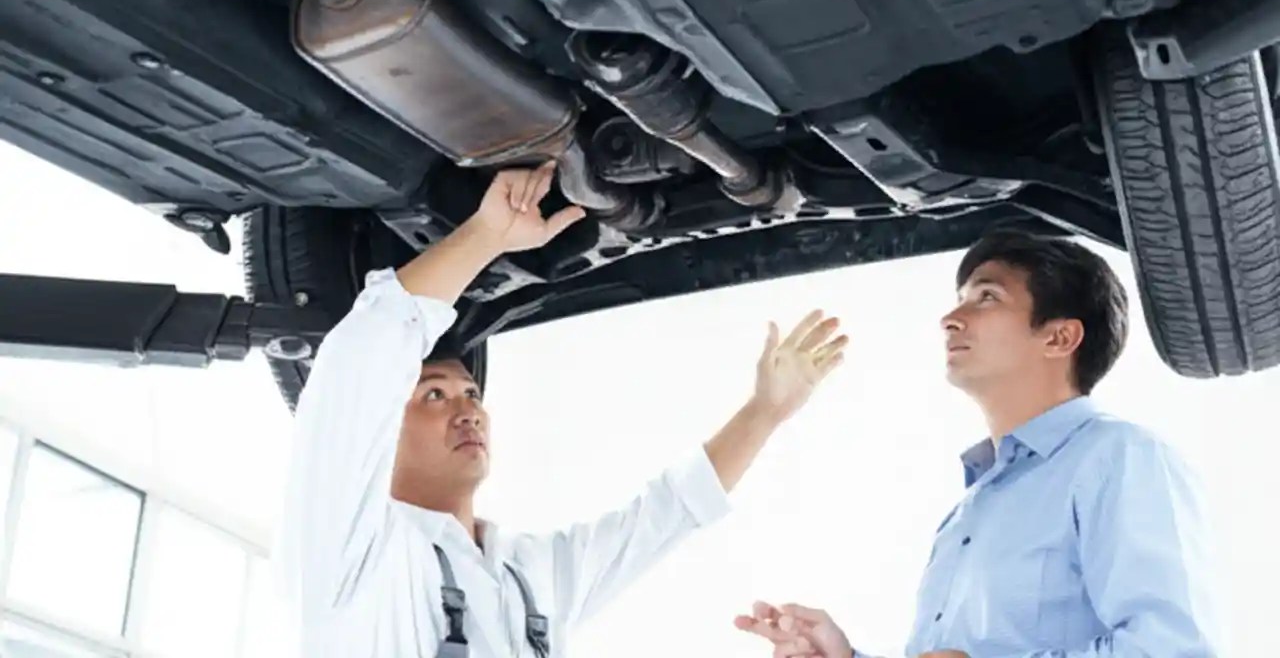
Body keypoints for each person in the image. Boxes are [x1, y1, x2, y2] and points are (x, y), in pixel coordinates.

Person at [273, 160, 849, 658]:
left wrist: (766, 412)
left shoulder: (525, 577)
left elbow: (666, 514)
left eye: (471, 394)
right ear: (382, 432)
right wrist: (485, 236)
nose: (469, 411)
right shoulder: (355, 550)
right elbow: (359, 359)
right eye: (433, 395)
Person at [734, 230, 1223, 657]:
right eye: (960, 297)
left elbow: (1174, 648)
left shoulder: (1118, 457)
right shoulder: (967, 514)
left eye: (986, 297)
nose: (951, 317)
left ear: (1059, 338)